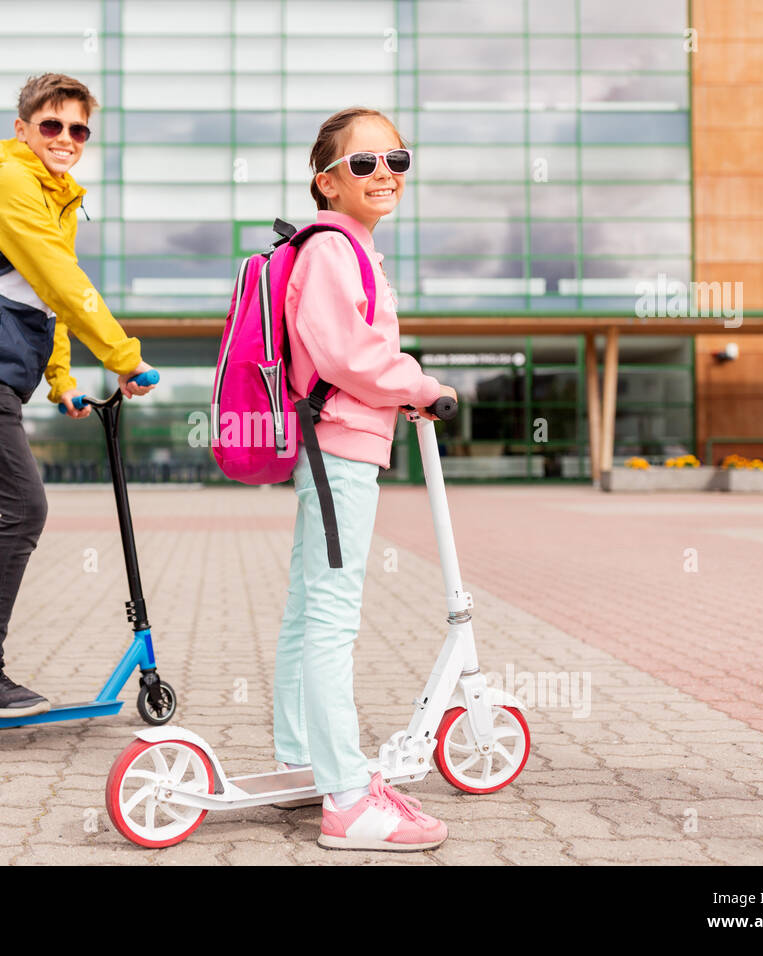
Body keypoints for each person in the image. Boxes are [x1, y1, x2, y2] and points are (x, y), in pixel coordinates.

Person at [0, 73, 156, 719]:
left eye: (79, 129)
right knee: (25, 509)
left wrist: (62, 382)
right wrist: (123, 357)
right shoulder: (16, 184)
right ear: (22, 129)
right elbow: (63, 280)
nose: (67, 139)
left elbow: (44, 302)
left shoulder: (54, 198)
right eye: (52, 125)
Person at [274, 107, 460, 851]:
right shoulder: (330, 250)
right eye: (364, 163)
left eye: (397, 161)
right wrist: (420, 385)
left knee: (306, 610)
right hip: (340, 449)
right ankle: (347, 798)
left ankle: (301, 760)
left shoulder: (352, 250)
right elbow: (347, 356)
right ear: (327, 181)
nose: (384, 174)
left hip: (340, 449)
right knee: (330, 619)